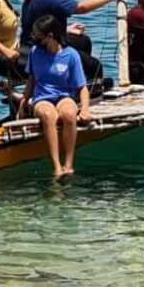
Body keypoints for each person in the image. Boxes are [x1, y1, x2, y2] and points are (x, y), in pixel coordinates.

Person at [19, 0, 125, 83]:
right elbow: (82, 7)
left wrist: (66, 29)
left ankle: (74, 77)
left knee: (83, 41)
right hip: (42, 48)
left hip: (31, 41)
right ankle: (88, 87)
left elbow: (36, 23)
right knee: (95, 66)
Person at [18, 14, 91, 177]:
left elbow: (82, 87)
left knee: (69, 114)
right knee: (48, 115)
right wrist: (24, 100)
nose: (36, 40)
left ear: (50, 36)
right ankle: (56, 167)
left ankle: (69, 164)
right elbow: (31, 80)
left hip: (64, 96)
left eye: (39, 36)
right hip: (42, 97)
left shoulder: (70, 55)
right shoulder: (35, 52)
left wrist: (85, 109)